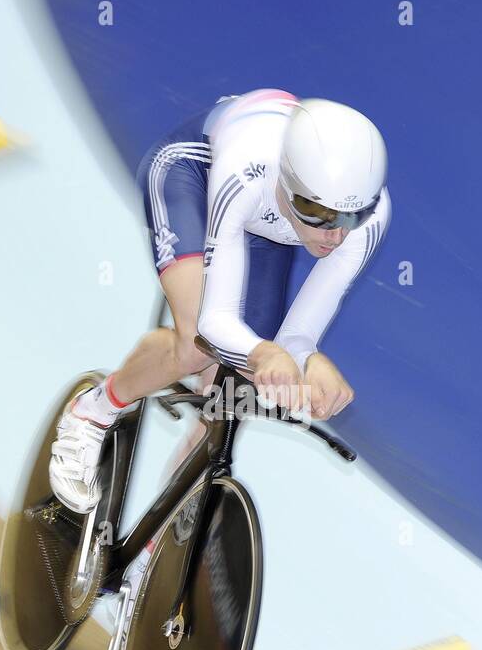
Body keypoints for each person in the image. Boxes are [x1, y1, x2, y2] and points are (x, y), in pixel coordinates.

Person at [50, 89, 391, 514]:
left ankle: (165, 540)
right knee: (195, 345)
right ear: (286, 182)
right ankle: (93, 411)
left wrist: (308, 359)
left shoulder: (369, 218)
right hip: (194, 174)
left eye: (349, 217)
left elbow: (297, 337)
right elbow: (215, 325)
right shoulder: (246, 172)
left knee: (232, 396)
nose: (335, 235)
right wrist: (264, 352)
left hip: (269, 223)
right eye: (317, 213)